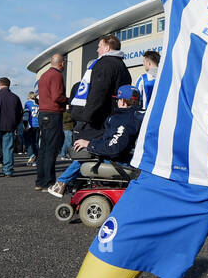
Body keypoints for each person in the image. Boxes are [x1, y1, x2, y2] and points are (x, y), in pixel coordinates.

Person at [47, 85, 142, 197]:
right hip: (129, 158)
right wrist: (91, 144)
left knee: (83, 158)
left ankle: (61, 183)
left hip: (122, 162)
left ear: (123, 102)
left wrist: (89, 144)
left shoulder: (124, 120)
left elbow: (114, 148)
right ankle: (63, 183)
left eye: (118, 99)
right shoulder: (135, 116)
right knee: (87, 152)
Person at [69, 34, 132, 138]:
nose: (97, 50)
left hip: (99, 122)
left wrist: (85, 117)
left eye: (99, 47)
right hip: (115, 117)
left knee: (85, 151)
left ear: (107, 48)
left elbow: (98, 93)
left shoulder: (104, 64)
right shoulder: (122, 66)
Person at [34, 54, 69, 191]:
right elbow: (57, 96)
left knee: (43, 149)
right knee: (51, 149)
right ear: (62, 64)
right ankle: (48, 182)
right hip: (53, 114)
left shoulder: (44, 75)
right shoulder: (57, 75)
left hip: (43, 113)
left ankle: (40, 181)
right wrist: (69, 100)